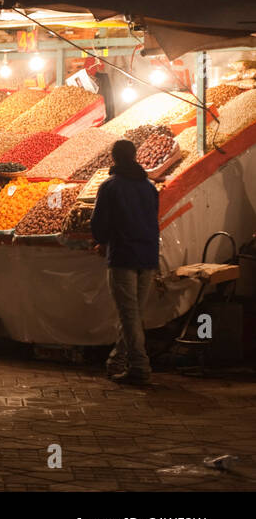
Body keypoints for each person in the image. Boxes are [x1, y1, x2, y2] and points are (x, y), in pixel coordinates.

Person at [91, 138, 161, 386]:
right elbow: (153, 218)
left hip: (124, 255)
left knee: (129, 314)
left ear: (114, 158)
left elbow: (99, 224)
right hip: (148, 255)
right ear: (135, 156)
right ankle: (117, 359)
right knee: (134, 313)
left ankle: (140, 366)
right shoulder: (149, 186)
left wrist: (102, 240)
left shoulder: (111, 186)